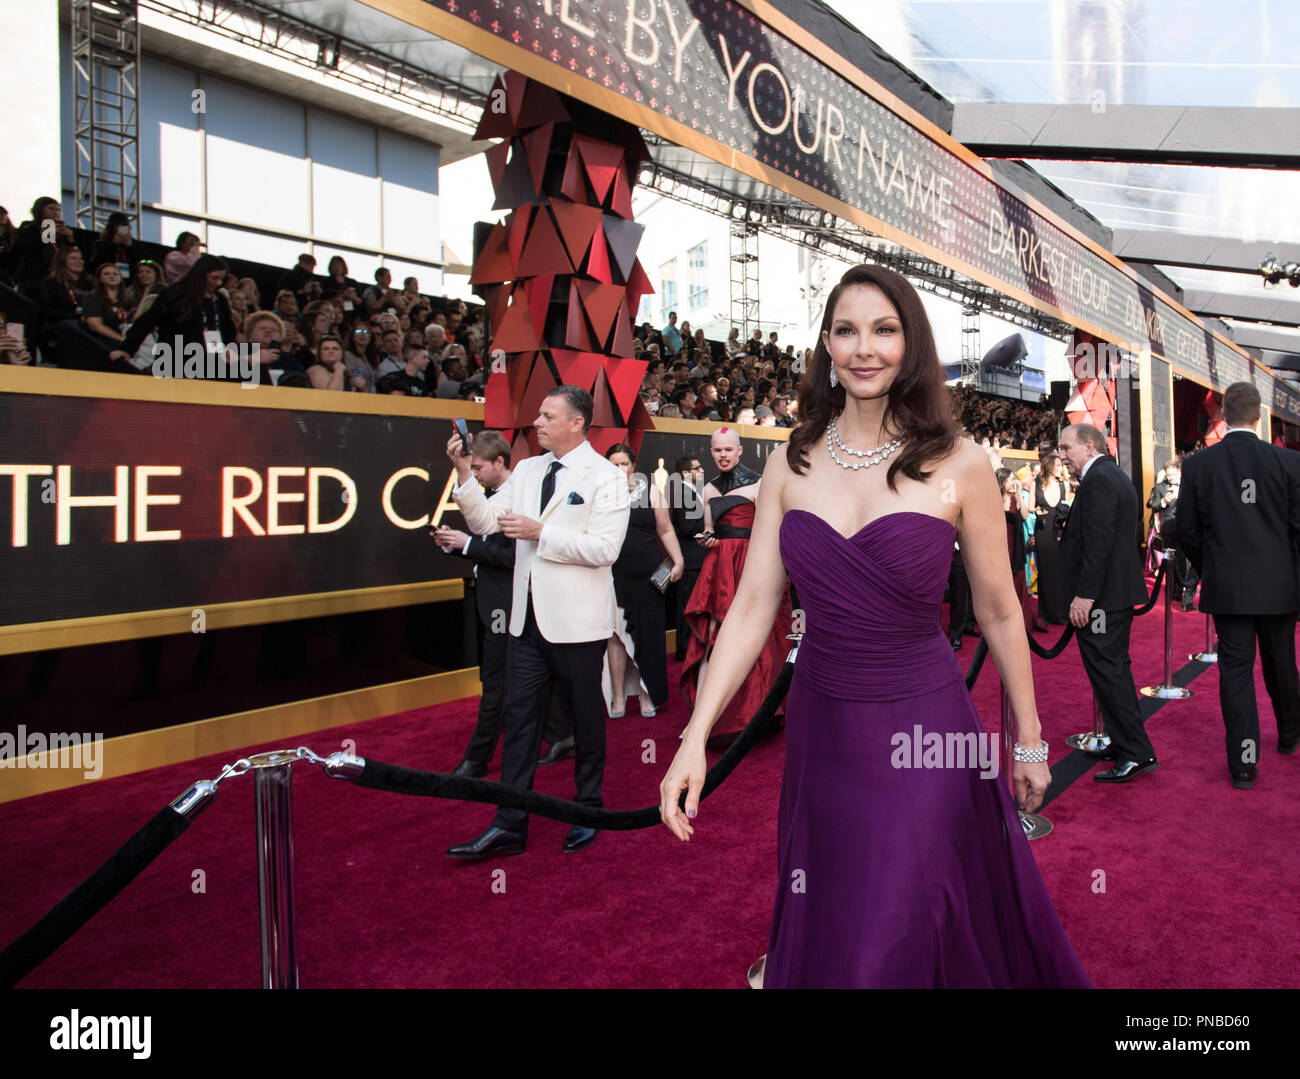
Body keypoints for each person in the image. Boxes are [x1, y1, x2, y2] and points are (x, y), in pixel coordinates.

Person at [658, 263, 1091, 989]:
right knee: (838, 911)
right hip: (823, 730)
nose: (865, 347)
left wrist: (1030, 738)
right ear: (826, 344)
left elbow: (998, 608)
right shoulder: (790, 463)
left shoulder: (958, 463)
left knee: (899, 929)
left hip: (927, 731)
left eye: (884, 330)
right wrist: (695, 733)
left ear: (909, 342)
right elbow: (755, 603)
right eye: (847, 330)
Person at [444, 386, 629, 858]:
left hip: (578, 625)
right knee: (520, 722)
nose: (537, 423)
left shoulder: (606, 477)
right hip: (525, 624)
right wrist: (465, 473)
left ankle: (588, 809)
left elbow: (605, 551)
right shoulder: (526, 469)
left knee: (587, 722)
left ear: (577, 423)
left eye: (548, 415)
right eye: (538, 415)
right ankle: (510, 823)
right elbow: (486, 523)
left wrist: (542, 532)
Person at [1175, 382, 1300, 788]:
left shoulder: (1198, 465)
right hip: (1279, 587)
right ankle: (1289, 733)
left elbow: (1187, 532)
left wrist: (1212, 567)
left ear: (1224, 416)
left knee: (1236, 672)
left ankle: (1244, 763)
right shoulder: (1288, 463)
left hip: (1228, 588)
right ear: (1259, 415)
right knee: (1282, 662)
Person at [433, 430, 574, 777]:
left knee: (496, 680)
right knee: (517, 676)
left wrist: (468, 545)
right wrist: (458, 547)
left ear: (500, 462)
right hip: (496, 599)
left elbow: (512, 556)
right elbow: (485, 541)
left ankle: (478, 758)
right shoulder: (492, 497)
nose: (475, 473)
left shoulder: (519, 496)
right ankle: (563, 733)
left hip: (508, 603)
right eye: (472, 468)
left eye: (478, 467)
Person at [679, 427, 794, 749]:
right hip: (719, 568)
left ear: (740, 450)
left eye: (728, 450)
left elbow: (772, 531)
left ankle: (758, 712)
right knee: (711, 638)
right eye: (717, 450)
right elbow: (706, 531)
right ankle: (699, 722)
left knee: (757, 636)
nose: (723, 455)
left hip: (750, 566)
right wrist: (707, 538)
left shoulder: (760, 484)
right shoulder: (708, 490)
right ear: (711, 452)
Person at [1058, 423, 1158, 783]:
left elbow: (1098, 544)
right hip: (1114, 596)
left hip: (1102, 600)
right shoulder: (1112, 475)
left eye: (1066, 448)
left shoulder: (1099, 479)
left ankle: (1135, 751)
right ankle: (1126, 743)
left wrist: (1085, 596)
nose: (1062, 455)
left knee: (1109, 673)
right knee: (1114, 671)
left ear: (1088, 446)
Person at [602, 444, 684, 719]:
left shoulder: (648, 489)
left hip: (649, 577)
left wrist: (678, 559)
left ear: (633, 466)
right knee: (616, 636)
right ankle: (618, 697)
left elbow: (666, 528)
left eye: (623, 464)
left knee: (649, 636)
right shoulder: (599, 494)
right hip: (611, 575)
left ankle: (648, 694)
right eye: (612, 464)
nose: (618, 469)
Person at [666, 456, 707, 661]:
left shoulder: (693, 492)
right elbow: (688, 527)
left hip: (698, 559)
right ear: (685, 473)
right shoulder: (684, 492)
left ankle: (692, 649)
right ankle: (684, 650)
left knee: (696, 606)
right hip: (691, 560)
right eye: (696, 468)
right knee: (688, 606)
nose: (701, 470)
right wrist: (710, 527)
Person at [1147, 458, 1198, 610]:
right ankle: (1175, 592)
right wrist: (1163, 501)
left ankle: (1184, 595)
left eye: (1173, 475)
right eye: (1168, 475)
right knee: (1171, 562)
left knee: (1185, 561)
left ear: (1179, 473)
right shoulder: (1159, 487)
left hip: (1186, 528)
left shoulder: (1187, 485)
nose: (1171, 478)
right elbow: (1153, 506)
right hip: (1168, 528)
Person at [1032, 454, 1070, 625]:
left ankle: (1061, 612)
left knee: (1060, 572)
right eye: (1058, 465)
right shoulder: (1036, 484)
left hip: (1059, 531)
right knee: (1046, 572)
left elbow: (1066, 508)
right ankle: (1046, 613)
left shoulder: (1065, 485)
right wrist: (1036, 512)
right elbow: (1032, 506)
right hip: (1042, 529)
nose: (1061, 468)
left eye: (1061, 465)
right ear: (1049, 466)